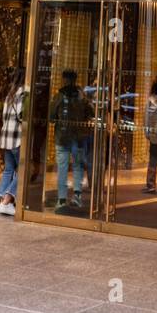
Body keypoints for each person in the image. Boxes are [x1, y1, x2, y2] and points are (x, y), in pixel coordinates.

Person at [49, 68, 93, 211]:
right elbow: (91, 112)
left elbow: (51, 116)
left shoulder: (59, 95)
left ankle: (62, 200)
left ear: (64, 79)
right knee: (77, 166)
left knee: (62, 168)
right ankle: (77, 196)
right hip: (79, 136)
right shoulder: (82, 95)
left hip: (62, 136)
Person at [0, 70, 26, 216]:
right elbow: (22, 117)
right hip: (16, 138)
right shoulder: (22, 95)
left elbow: (4, 117)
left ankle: (2, 200)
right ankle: (6, 201)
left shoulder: (9, 95)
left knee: (8, 170)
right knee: (23, 170)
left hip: (5, 138)